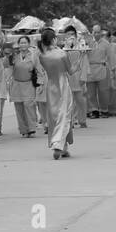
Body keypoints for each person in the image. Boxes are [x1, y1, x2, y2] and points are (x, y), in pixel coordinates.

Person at [37, 29, 77, 159]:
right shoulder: (61, 53)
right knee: (65, 114)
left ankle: (63, 147)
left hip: (51, 85)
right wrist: (80, 59)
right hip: (62, 85)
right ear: (54, 39)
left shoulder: (42, 55)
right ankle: (58, 144)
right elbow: (70, 71)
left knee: (55, 115)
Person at [6, 37, 40, 138]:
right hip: (16, 84)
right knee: (19, 107)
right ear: (18, 44)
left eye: (25, 43)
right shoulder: (14, 55)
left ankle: (32, 128)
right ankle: (23, 129)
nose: (23, 45)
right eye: (21, 43)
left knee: (29, 106)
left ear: (29, 44)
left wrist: (40, 83)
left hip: (29, 83)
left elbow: (38, 69)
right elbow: (8, 67)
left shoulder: (34, 55)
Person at [86, 26, 115, 118]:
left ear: (101, 33)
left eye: (98, 32)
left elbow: (112, 56)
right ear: (92, 32)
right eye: (94, 32)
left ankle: (104, 109)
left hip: (101, 67)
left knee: (104, 91)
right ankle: (94, 110)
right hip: (90, 68)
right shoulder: (87, 42)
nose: (96, 34)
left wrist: (115, 68)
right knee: (90, 92)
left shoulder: (106, 43)